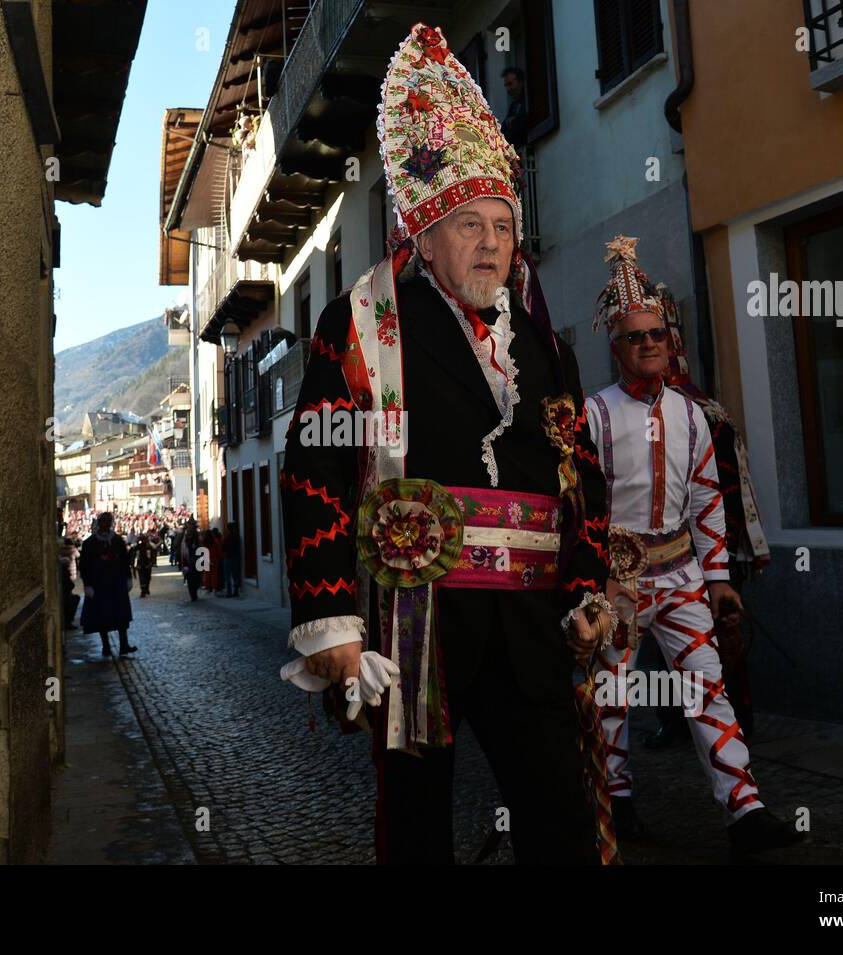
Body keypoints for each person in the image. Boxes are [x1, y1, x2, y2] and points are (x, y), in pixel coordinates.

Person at [279, 24, 615, 865]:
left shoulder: (544, 342)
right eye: (470, 224)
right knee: (417, 827)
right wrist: (330, 618)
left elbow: (582, 477)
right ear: (424, 236)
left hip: (534, 621)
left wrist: (587, 585)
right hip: (415, 623)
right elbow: (315, 470)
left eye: (502, 223)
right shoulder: (359, 324)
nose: (493, 242)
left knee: (561, 815)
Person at [584, 236, 798, 857]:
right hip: (617, 583)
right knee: (613, 695)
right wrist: (597, 581)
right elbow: (583, 507)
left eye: (657, 334)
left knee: (708, 688)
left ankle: (745, 812)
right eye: (634, 336)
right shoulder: (594, 414)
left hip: (681, 576)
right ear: (615, 345)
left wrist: (720, 578)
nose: (648, 344)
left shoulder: (691, 413)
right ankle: (616, 804)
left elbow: (706, 497)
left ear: (668, 339)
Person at [78, 511, 135, 656]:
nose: (106, 524)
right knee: (101, 616)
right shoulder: (89, 543)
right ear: (99, 523)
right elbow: (84, 566)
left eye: (108, 522)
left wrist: (128, 578)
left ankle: (124, 645)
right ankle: (106, 646)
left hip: (117, 583)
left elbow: (125, 562)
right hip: (99, 585)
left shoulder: (117, 541)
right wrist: (87, 585)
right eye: (103, 521)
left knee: (121, 616)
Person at [500, 66, 527, 147]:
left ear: (520, 82)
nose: (508, 89)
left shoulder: (528, 100)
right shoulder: (514, 105)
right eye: (506, 85)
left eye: (510, 84)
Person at [180, 518, 202, 601]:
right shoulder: (184, 536)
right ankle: (193, 594)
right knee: (190, 578)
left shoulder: (197, 536)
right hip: (188, 560)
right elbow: (182, 549)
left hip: (196, 559)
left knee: (196, 578)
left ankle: (194, 592)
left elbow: (201, 547)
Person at [131, 529, 158, 598]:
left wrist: (152, 562)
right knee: (143, 577)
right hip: (141, 564)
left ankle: (146, 588)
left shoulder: (148, 546)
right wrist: (133, 565)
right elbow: (134, 556)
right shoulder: (138, 547)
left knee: (147, 577)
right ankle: (143, 590)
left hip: (146, 564)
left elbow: (153, 555)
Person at [222, 522, 243, 598]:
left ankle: (229, 592)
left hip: (228, 558)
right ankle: (236, 591)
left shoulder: (226, 538)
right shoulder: (237, 537)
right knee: (235, 575)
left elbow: (223, 548)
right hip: (235, 558)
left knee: (228, 576)